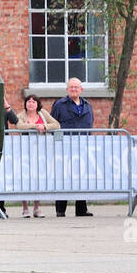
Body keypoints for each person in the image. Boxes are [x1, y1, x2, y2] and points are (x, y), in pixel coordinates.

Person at [50, 77, 94, 217]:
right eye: (71, 87)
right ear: (67, 89)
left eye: (76, 87)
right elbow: (53, 124)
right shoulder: (59, 105)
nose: (74, 89)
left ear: (81, 89)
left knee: (81, 177)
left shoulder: (87, 105)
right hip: (64, 148)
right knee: (63, 177)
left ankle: (81, 208)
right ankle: (60, 209)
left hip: (82, 147)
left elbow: (90, 124)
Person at [12, 94, 60, 217]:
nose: (31, 103)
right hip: (24, 151)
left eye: (34, 101)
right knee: (25, 178)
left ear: (38, 104)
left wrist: (44, 126)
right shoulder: (21, 115)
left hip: (40, 151)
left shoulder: (43, 113)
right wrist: (35, 126)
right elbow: (19, 125)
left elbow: (56, 124)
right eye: (28, 101)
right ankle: (25, 208)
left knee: (38, 178)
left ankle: (37, 208)